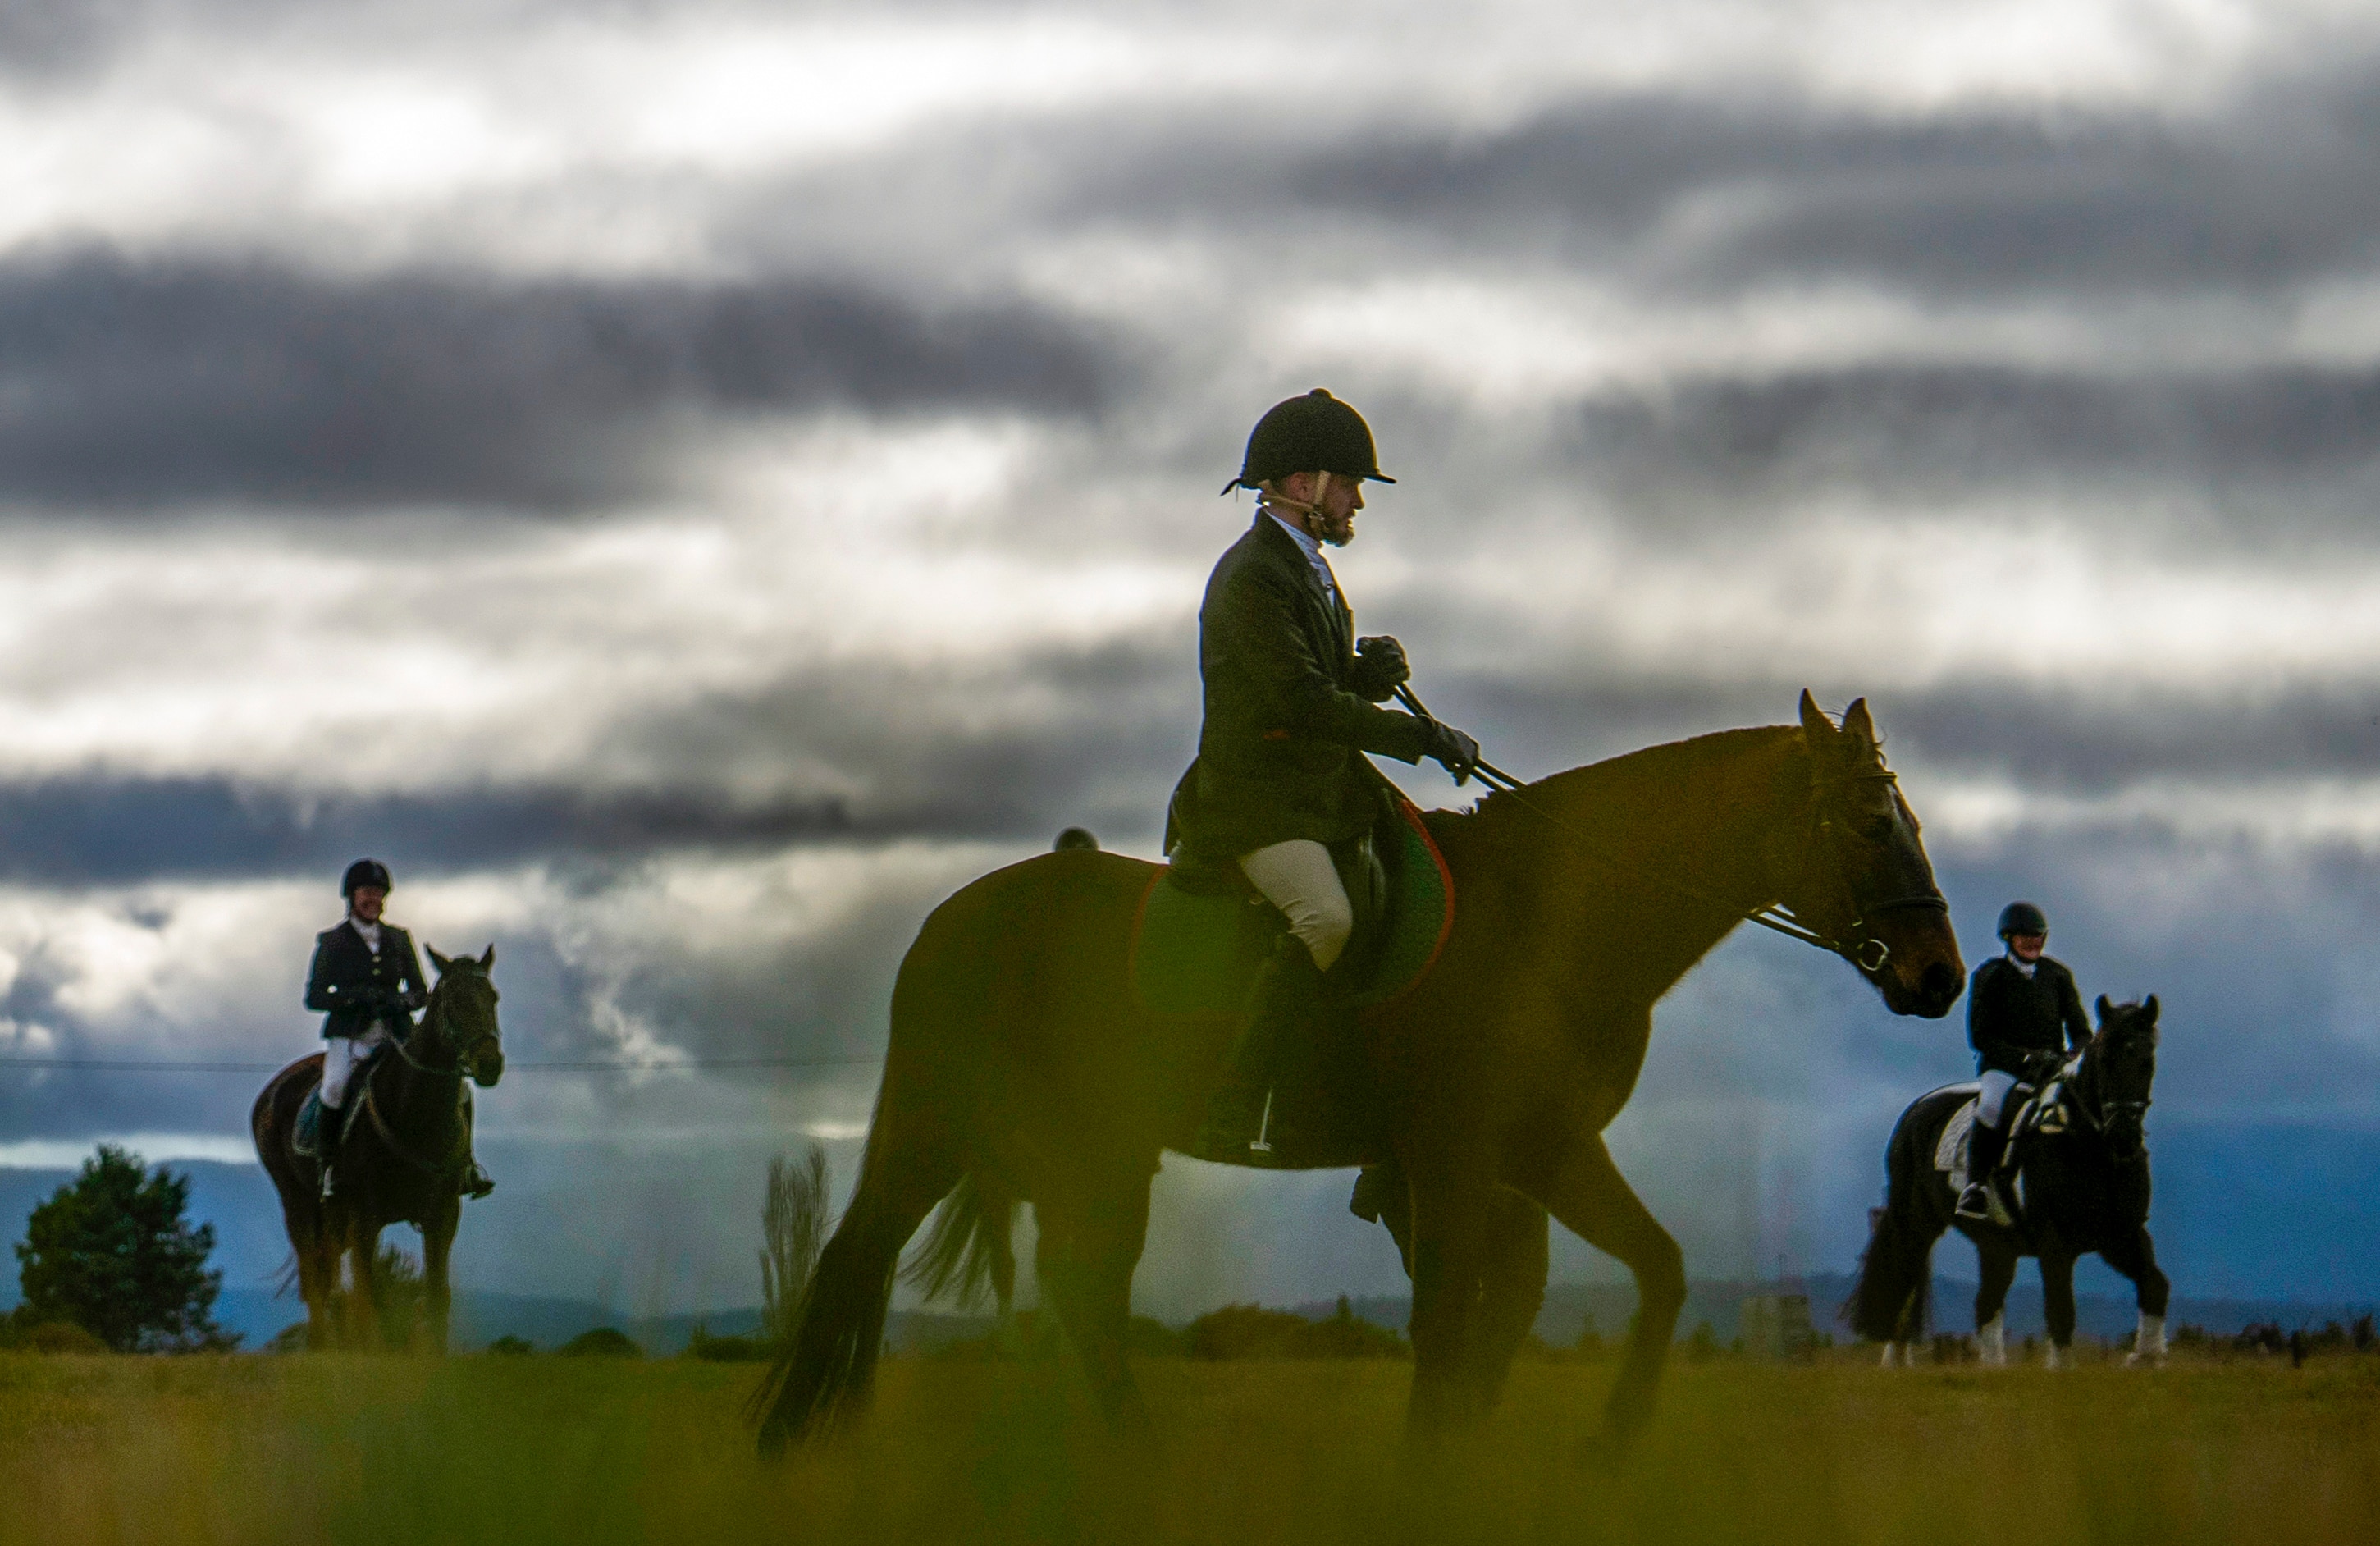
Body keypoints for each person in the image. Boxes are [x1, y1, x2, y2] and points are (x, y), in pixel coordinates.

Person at [1167, 388, 1480, 1155]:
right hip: (1259, 801)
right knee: (1326, 920)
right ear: (1301, 485)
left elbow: (1319, 681)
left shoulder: (1300, 566)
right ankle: (1240, 1109)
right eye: (1348, 485)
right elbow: (1300, 703)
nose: (1359, 503)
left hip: (1318, 790)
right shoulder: (1249, 575)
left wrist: (1367, 673)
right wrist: (1419, 734)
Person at [295, 858, 492, 1200]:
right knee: (334, 1087)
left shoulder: (399, 939)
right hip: (351, 1036)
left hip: (398, 1034)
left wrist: (400, 1001)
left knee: (460, 1089)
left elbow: (419, 991)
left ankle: (466, 1166)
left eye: (378, 892)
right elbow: (314, 997)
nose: (373, 899)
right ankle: (329, 1169)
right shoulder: (333, 941)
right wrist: (353, 998)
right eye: (366, 892)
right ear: (352, 896)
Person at [1959, 900, 2090, 1219]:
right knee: (1990, 1106)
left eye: (2039, 936)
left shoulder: (2058, 975)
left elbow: (2080, 1028)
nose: (2033, 942)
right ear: (2008, 938)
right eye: (2025, 936)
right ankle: (1975, 1186)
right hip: (2003, 1067)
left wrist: (2075, 1053)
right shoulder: (1990, 975)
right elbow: (1981, 1036)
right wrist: (2024, 1056)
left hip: (2050, 1068)